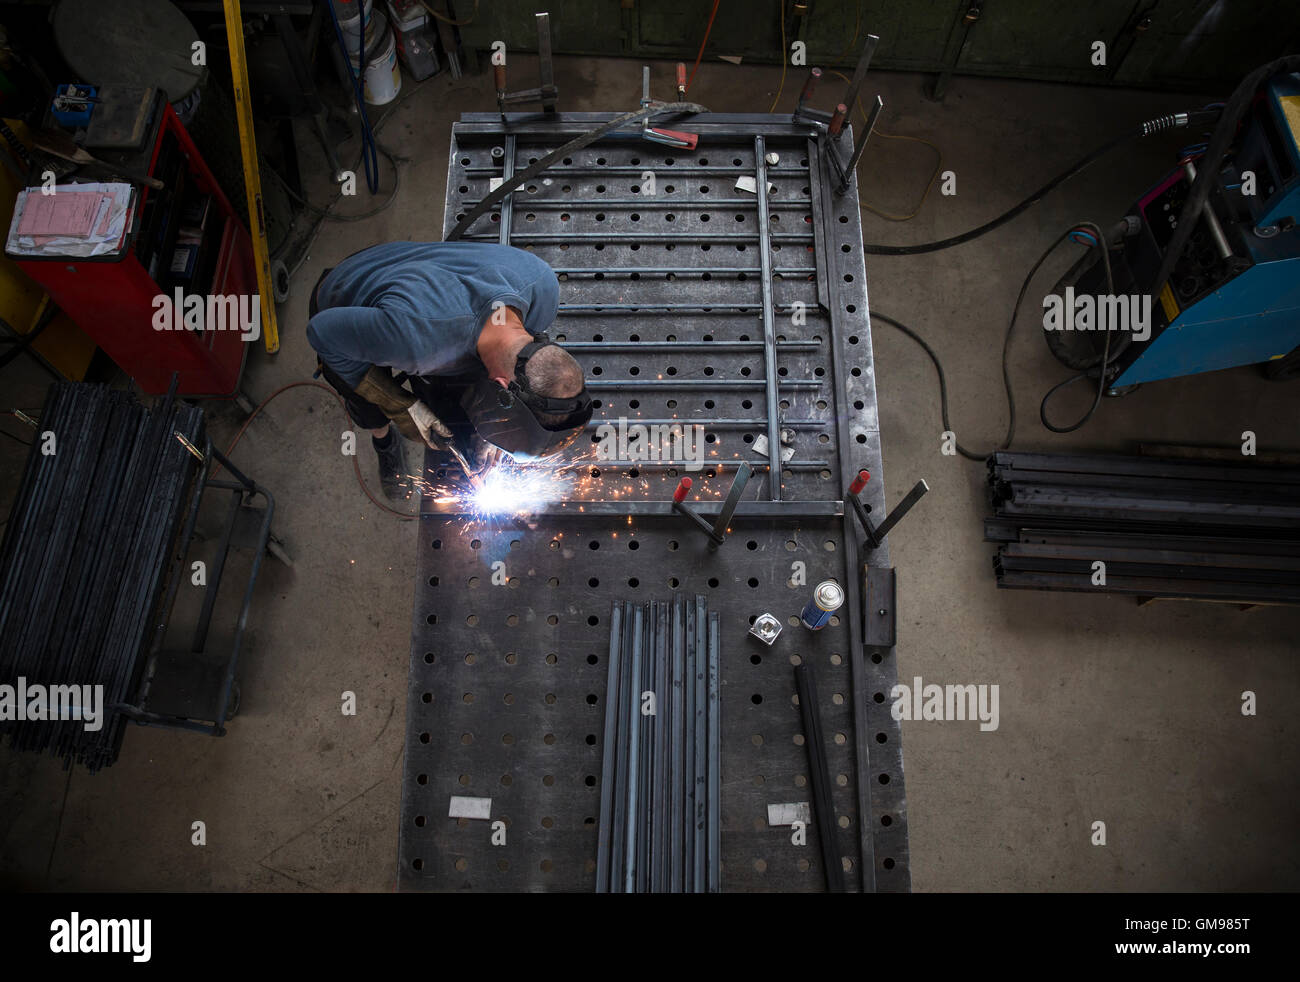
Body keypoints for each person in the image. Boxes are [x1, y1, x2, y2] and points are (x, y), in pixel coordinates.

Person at [307, 241, 592, 499]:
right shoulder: (415, 343)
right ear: (502, 387)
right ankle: (383, 441)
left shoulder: (543, 289)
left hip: (418, 277)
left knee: (447, 389)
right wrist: (397, 404)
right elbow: (321, 333)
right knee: (371, 406)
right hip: (344, 299)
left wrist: (496, 434)